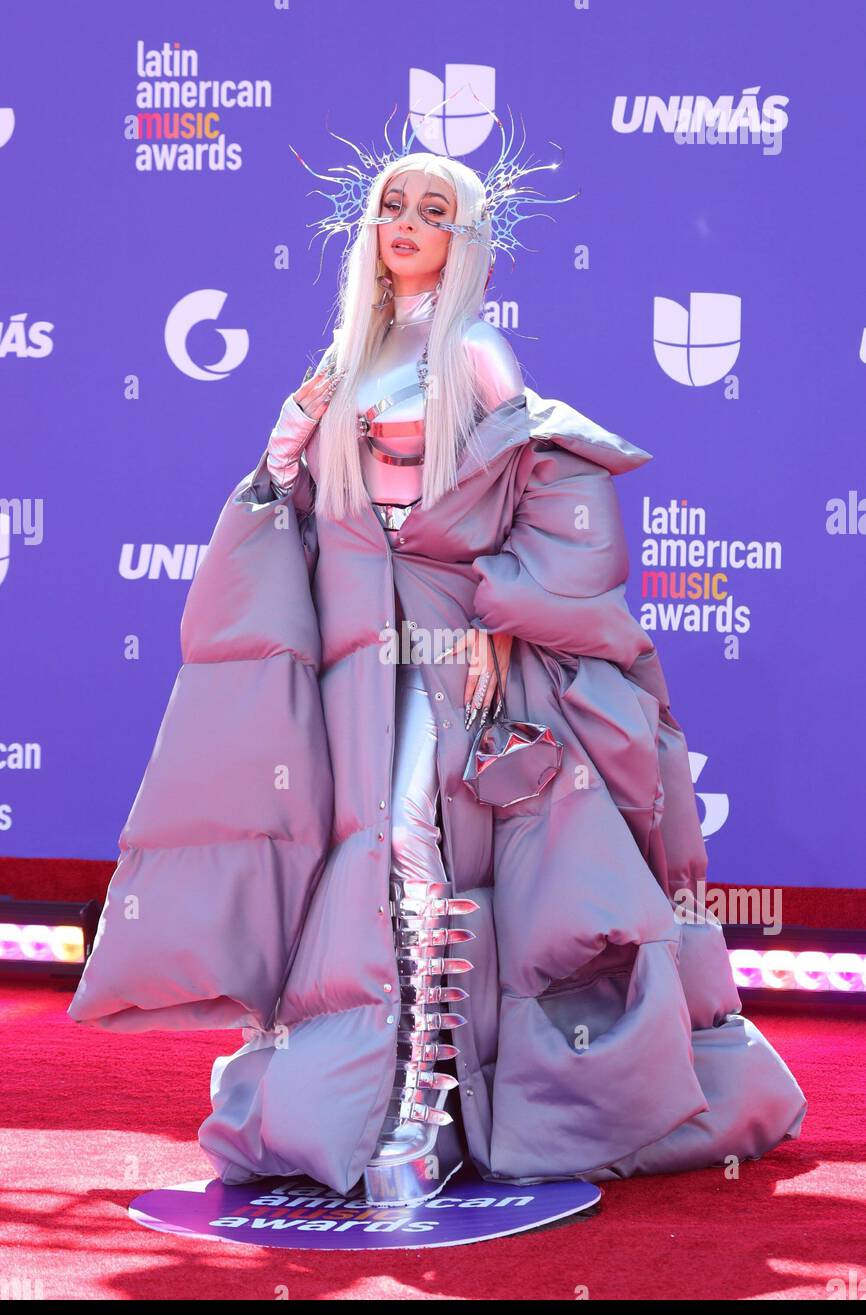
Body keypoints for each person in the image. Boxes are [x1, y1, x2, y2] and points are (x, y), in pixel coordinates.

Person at [68, 123, 806, 1209]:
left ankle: (428, 1100)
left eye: (432, 213)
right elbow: (304, 508)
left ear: (463, 244)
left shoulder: (472, 352)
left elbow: (550, 494)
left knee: (419, 841)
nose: (406, 226)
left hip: (456, 649)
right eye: (394, 207)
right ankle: (397, 1095)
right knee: (370, 853)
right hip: (360, 658)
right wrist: (284, 461)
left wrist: (502, 614)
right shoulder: (345, 360)